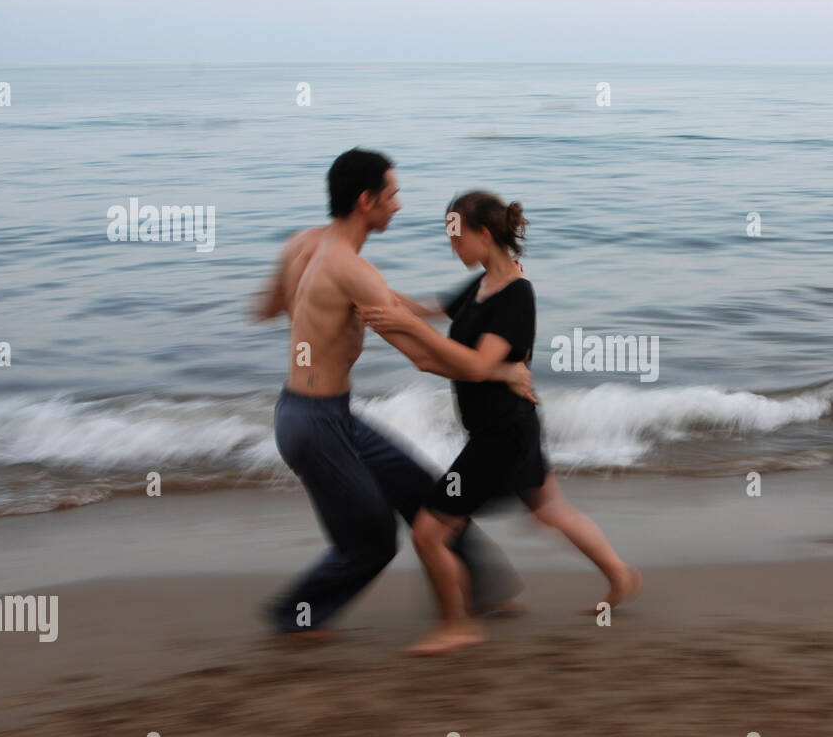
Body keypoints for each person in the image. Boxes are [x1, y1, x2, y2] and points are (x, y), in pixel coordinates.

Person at [253, 148, 531, 636]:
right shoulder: (353, 270)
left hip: (320, 412)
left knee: (423, 490)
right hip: (316, 424)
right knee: (373, 542)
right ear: (366, 201)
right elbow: (425, 359)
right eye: (393, 194)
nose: (399, 205)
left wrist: (323, 319)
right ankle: (292, 619)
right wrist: (501, 373)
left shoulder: (303, 243)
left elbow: (268, 307)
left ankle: (480, 590)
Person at [360, 191, 641, 655]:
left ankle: (457, 624)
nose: (452, 248)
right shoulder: (482, 283)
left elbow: (475, 365)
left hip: (500, 436)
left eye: (456, 237)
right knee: (551, 511)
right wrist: (372, 290)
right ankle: (621, 576)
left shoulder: (514, 294)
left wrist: (411, 334)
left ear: (483, 235)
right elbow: (428, 309)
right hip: (515, 426)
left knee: (429, 532)